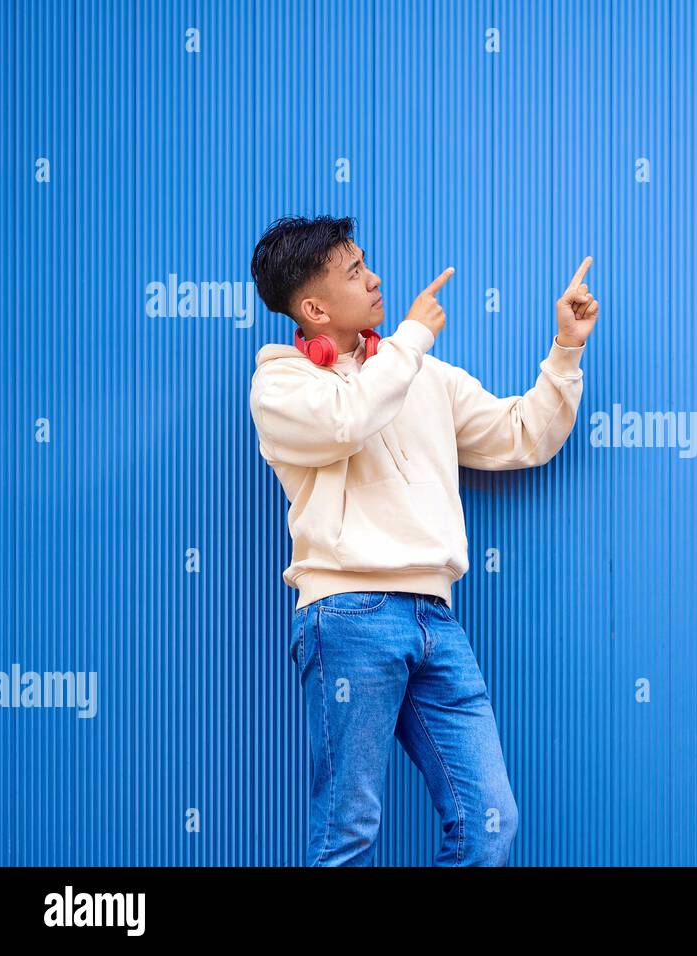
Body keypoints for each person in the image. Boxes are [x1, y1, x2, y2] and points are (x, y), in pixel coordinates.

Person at [247, 215, 600, 865]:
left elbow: (521, 432)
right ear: (314, 307)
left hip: (436, 619)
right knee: (348, 828)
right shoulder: (281, 386)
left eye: (365, 262)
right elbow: (347, 421)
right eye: (354, 271)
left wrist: (566, 349)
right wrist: (410, 340)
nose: (374, 276)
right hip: (348, 614)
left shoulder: (420, 375)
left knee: (489, 822)